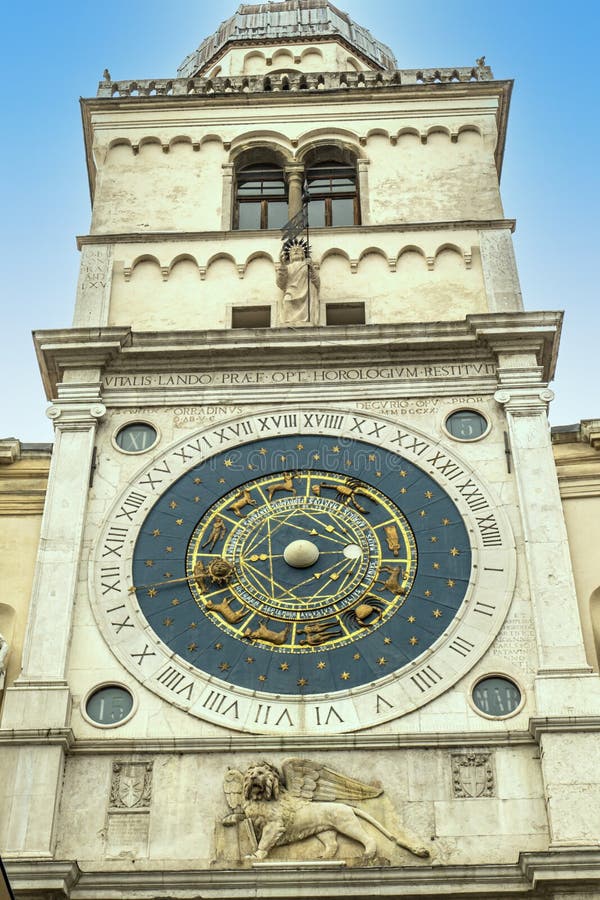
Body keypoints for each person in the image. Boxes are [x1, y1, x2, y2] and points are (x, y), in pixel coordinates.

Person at [276, 243, 320, 326]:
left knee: (306, 310)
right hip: (291, 292)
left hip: (306, 293)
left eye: (298, 250)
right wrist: (282, 265)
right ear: (289, 255)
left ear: (303, 254)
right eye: (293, 250)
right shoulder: (287, 267)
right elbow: (280, 283)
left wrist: (311, 268)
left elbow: (316, 281)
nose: (295, 251)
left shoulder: (306, 266)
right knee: (287, 301)